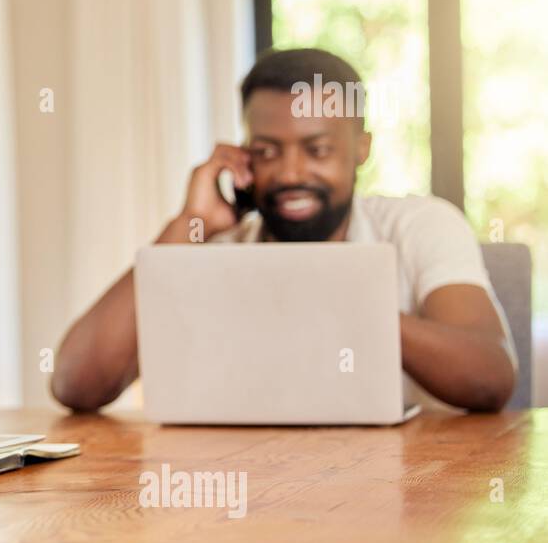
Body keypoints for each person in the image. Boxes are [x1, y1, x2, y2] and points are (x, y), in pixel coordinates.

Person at [51, 47, 516, 414]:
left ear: (361, 149)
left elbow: (490, 378)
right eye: (268, 151)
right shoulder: (215, 246)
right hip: (250, 488)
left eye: (316, 149)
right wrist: (188, 225)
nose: (291, 173)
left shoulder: (419, 226)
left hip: (408, 489)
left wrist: (334, 293)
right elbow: (76, 384)